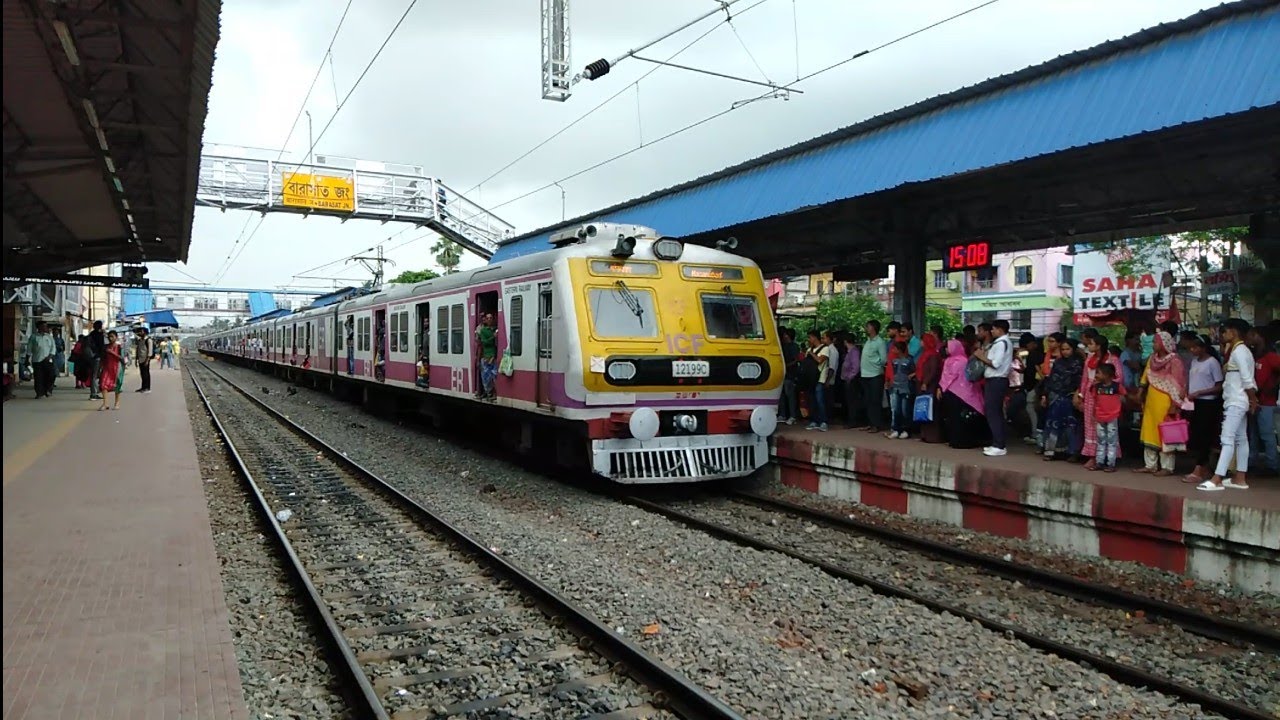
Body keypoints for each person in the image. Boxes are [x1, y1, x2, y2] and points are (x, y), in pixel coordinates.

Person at [1200, 319, 1259, 491]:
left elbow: (1248, 380)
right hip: (1238, 400)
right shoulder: (1241, 351)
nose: (1222, 335)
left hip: (1236, 400)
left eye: (1224, 332)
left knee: (1227, 439)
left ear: (1233, 332)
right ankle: (1240, 478)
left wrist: (1252, 400)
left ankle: (1217, 478)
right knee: (1241, 439)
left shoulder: (1239, 351)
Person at [1134, 331, 1186, 477]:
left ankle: (1167, 467)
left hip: (1166, 402)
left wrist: (1174, 405)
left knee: (1166, 433)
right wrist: (1140, 392)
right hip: (1151, 401)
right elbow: (1146, 376)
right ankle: (1150, 465)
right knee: (1149, 432)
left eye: (1156, 342)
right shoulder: (1152, 359)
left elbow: (1178, 384)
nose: (1153, 345)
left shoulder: (1174, 361)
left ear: (1164, 344)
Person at [1182, 334, 1223, 484]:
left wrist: (1200, 392)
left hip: (1208, 403)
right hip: (1195, 403)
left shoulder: (1212, 363)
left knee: (1205, 436)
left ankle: (1199, 469)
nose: (1192, 350)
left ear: (1204, 348)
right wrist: (1187, 390)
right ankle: (1203, 467)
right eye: (1191, 347)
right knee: (1196, 436)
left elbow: (1218, 386)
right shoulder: (1194, 361)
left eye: (1195, 347)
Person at [1077, 331, 1119, 470]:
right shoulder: (1089, 359)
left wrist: (1104, 382)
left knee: (1109, 429)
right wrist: (1081, 395)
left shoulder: (1112, 360)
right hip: (1091, 396)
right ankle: (1093, 456)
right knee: (1091, 426)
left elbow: (1119, 378)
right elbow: (1084, 379)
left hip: (1107, 397)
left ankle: (1109, 458)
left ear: (1099, 346)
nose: (1088, 346)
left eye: (1091, 344)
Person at [940, 338, 989, 449]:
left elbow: (953, 376)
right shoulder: (950, 360)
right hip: (952, 392)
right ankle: (955, 440)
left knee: (961, 418)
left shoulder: (961, 361)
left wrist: (942, 386)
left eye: (948, 347)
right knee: (954, 418)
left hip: (962, 393)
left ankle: (963, 441)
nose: (946, 349)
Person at [974, 319, 1013, 456]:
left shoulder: (1001, 343)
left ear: (1000, 330)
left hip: (997, 379)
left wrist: (980, 357)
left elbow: (995, 363)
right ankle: (997, 442)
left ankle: (999, 444)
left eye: (994, 329)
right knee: (994, 412)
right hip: (995, 380)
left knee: (993, 412)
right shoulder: (1001, 343)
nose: (992, 331)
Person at [1042, 339, 1084, 461]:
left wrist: (1077, 395)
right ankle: (1051, 451)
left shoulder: (1078, 364)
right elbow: (1050, 379)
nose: (1065, 352)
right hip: (1055, 396)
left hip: (1070, 397)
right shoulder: (1058, 362)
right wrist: (1045, 395)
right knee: (1053, 423)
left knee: (1070, 425)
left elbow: (1080, 382)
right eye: (1063, 349)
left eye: (1068, 349)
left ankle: (1071, 451)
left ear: (1073, 349)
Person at [1248, 327, 1279, 475]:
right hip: (1254, 399)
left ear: (1260, 337)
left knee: (1266, 434)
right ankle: (1252, 462)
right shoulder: (1255, 355)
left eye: (1253, 335)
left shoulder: (1271, 356)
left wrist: (1273, 386)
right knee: (1253, 433)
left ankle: (1272, 465)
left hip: (1266, 401)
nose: (1250, 338)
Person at [1090, 363, 1126, 472]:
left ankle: (1110, 463)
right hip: (1100, 417)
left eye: (1098, 373)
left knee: (1111, 440)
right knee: (1101, 440)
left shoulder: (1116, 386)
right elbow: (1095, 402)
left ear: (1107, 375)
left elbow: (1124, 396)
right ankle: (1099, 462)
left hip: (1112, 417)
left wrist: (1120, 408)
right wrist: (1093, 415)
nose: (1096, 375)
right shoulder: (1096, 387)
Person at [859, 320, 888, 432]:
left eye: (868, 326)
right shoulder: (868, 341)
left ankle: (876, 424)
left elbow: (883, 359)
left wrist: (876, 364)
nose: (866, 328)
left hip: (875, 374)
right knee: (868, 400)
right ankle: (870, 423)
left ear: (873, 328)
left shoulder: (879, 342)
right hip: (865, 374)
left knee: (875, 400)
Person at [916, 332, 944, 443]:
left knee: (930, 409)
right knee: (922, 409)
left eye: (922, 340)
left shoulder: (933, 355)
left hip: (929, 386)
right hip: (922, 384)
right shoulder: (925, 354)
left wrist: (926, 382)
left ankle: (932, 436)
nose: (921, 343)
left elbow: (933, 371)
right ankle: (924, 434)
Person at [886, 340, 916, 439]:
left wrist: (912, 375)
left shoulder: (909, 360)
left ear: (899, 350)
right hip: (896, 387)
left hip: (905, 388)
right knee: (896, 409)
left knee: (904, 410)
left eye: (895, 348)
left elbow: (914, 371)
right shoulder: (894, 361)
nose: (893, 350)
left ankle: (906, 429)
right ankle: (896, 429)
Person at [777, 328, 801, 425]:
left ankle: (792, 416)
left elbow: (796, 359)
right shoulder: (782, 345)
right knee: (781, 395)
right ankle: (782, 414)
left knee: (790, 395)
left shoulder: (794, 346)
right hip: (783, 373)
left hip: (790, 374)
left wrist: (786, 366)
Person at [98, 331, 126, 411]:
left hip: (117, 368)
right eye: (109, 337)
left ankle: (117, 403)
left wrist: (112, 353)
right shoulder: (105, 347)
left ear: (116, 337)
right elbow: (102, 358)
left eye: (112, 336)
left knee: (117, 385)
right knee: (103, 384)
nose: (110, 338)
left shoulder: (120, 347)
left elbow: (123, 359)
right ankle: (105, 404)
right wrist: (100, 368)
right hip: (107, 368)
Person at [28, 321, 56, 398]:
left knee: (51, 375)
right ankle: (39, 393)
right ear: (39, 327)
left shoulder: (49, 337)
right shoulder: (33, 337)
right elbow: (29, 349)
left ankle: (48, 390)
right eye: (44, 326)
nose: (45, 328)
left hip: (48, 360)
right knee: (39, 377)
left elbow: (53, 348)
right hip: (37, 360)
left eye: (46, 326)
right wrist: (27, 359)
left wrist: (50, 356)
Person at [475, 312, 498, 399]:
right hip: (486, 356)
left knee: (495, 376)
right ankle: (488, 393)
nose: (489, 320)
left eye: (491, 318)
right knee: (486, 377)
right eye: (487, 318)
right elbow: (484, 342)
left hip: (494, 355)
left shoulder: (496, 329)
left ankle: (494, 393)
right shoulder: (483, 330)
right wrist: (493, 337)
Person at [839, 333, 861, 428]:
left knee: (852, 401)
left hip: (851, 379)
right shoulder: (849, 352)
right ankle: (850, 419)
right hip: (847, 378)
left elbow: (856, 367)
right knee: (848, 400)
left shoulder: (854, 352)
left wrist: (849, 377)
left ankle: (853, 421)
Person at [133, 326, 155, 393]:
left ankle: (147, 388)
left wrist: (147, 360)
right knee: (142, 374)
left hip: (145, 359)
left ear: (145, 332)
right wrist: (136, 359)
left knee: (146, 374)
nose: (139, 332)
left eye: (141, 331)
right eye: (139, 331)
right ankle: (143, 387)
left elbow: (150, 350)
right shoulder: (140, 340)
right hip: (140, 359)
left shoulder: (148, 340)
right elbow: (138, 349)